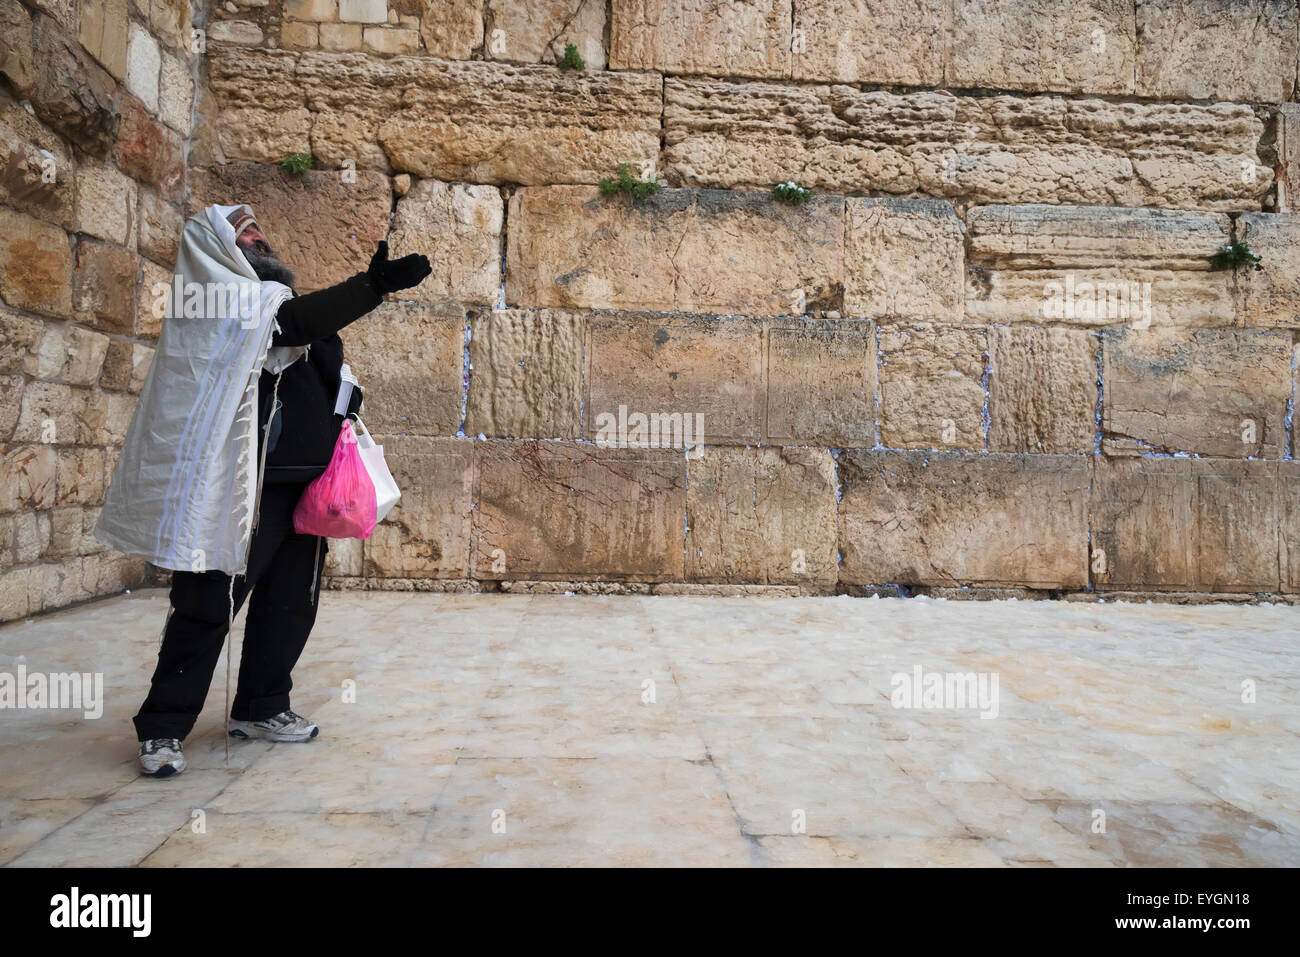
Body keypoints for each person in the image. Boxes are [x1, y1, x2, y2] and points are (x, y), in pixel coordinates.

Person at [94, 204, 430, 777]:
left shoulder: (272, 305)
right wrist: (371, 287)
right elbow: (295, 326)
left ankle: (261, 706)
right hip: (239, 492)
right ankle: (162, 729)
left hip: (303, 490)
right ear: (217, 251)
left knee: (289, 606)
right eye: (246, 234)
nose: (261, 238)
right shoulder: (218, 304)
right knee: (206, 608)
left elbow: (309, 348)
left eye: (261, 231)